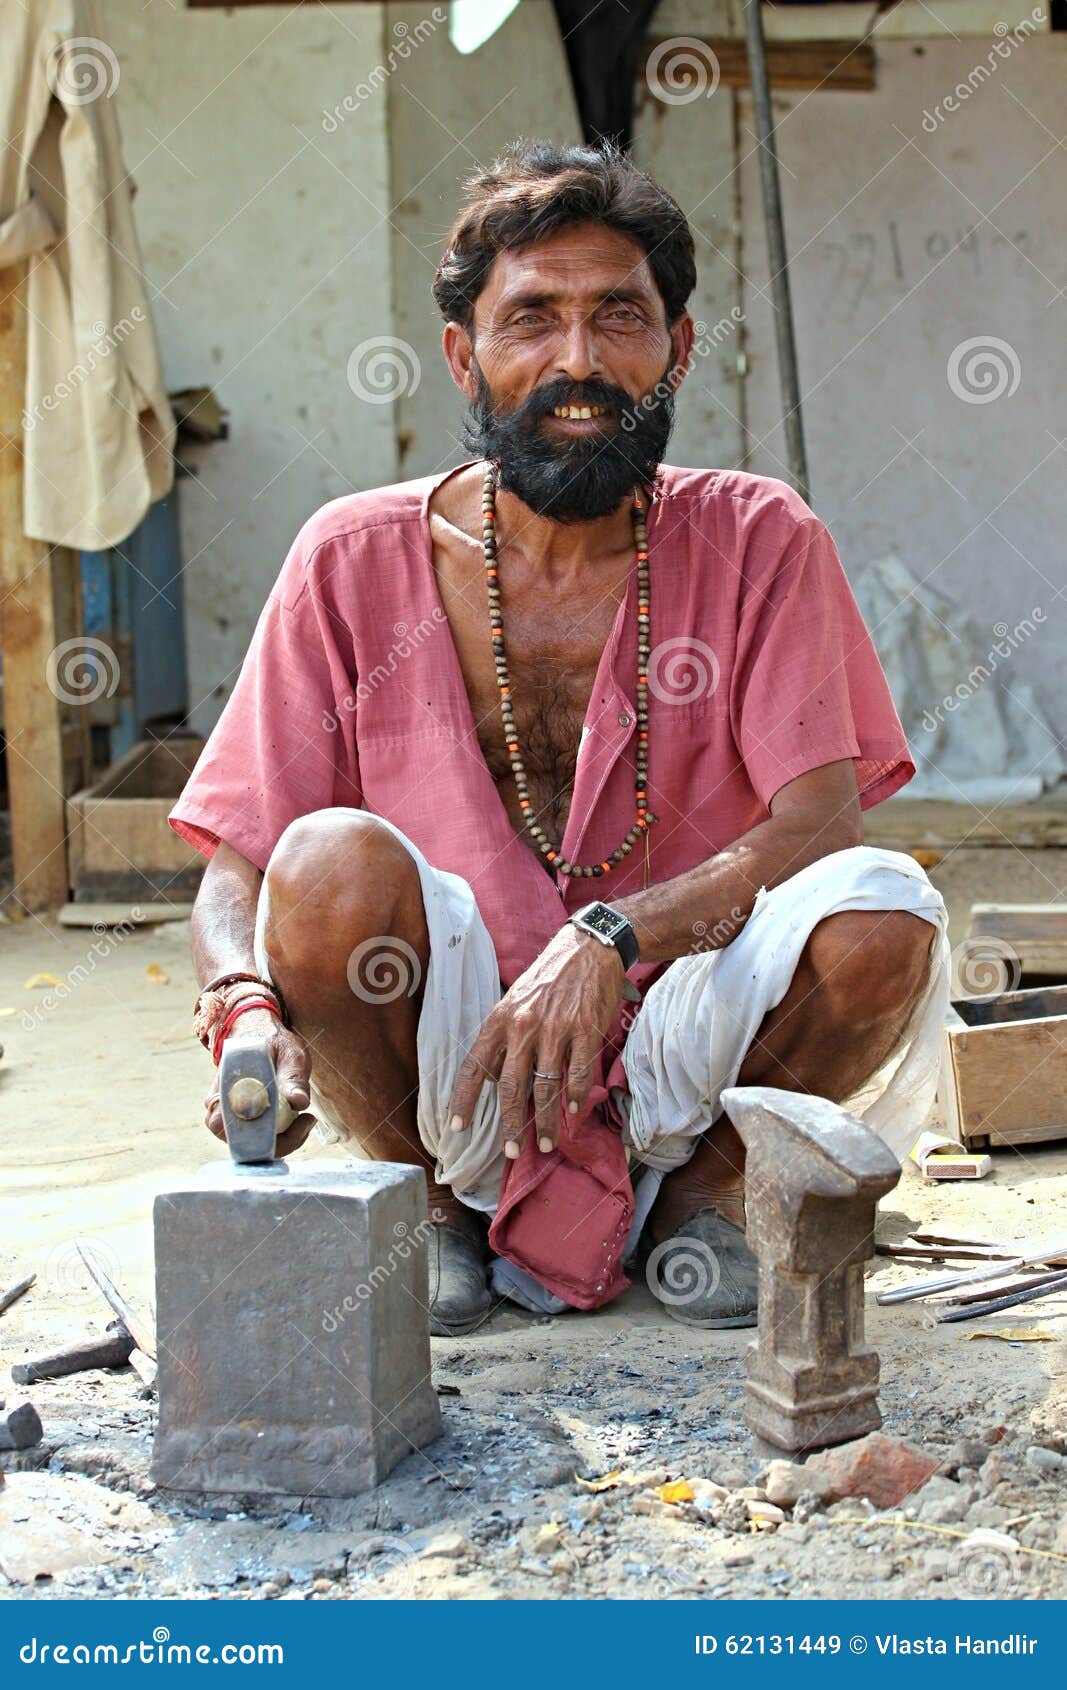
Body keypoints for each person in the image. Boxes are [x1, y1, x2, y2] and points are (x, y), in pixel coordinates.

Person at [172, 140, 949, 1337]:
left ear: (677, 349)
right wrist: (242, 1007)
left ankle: (706, 1198)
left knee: (882, 912)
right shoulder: (350, 555)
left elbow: (818, 820)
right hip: (451, 1057)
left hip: (681, 1042)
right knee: (321, 863)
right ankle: (424, 1211)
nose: (576, 362)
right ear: (463, 357)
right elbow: (239, 853)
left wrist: (612, 933)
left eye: (617, 318)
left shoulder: (761, 538)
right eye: (530, 318)